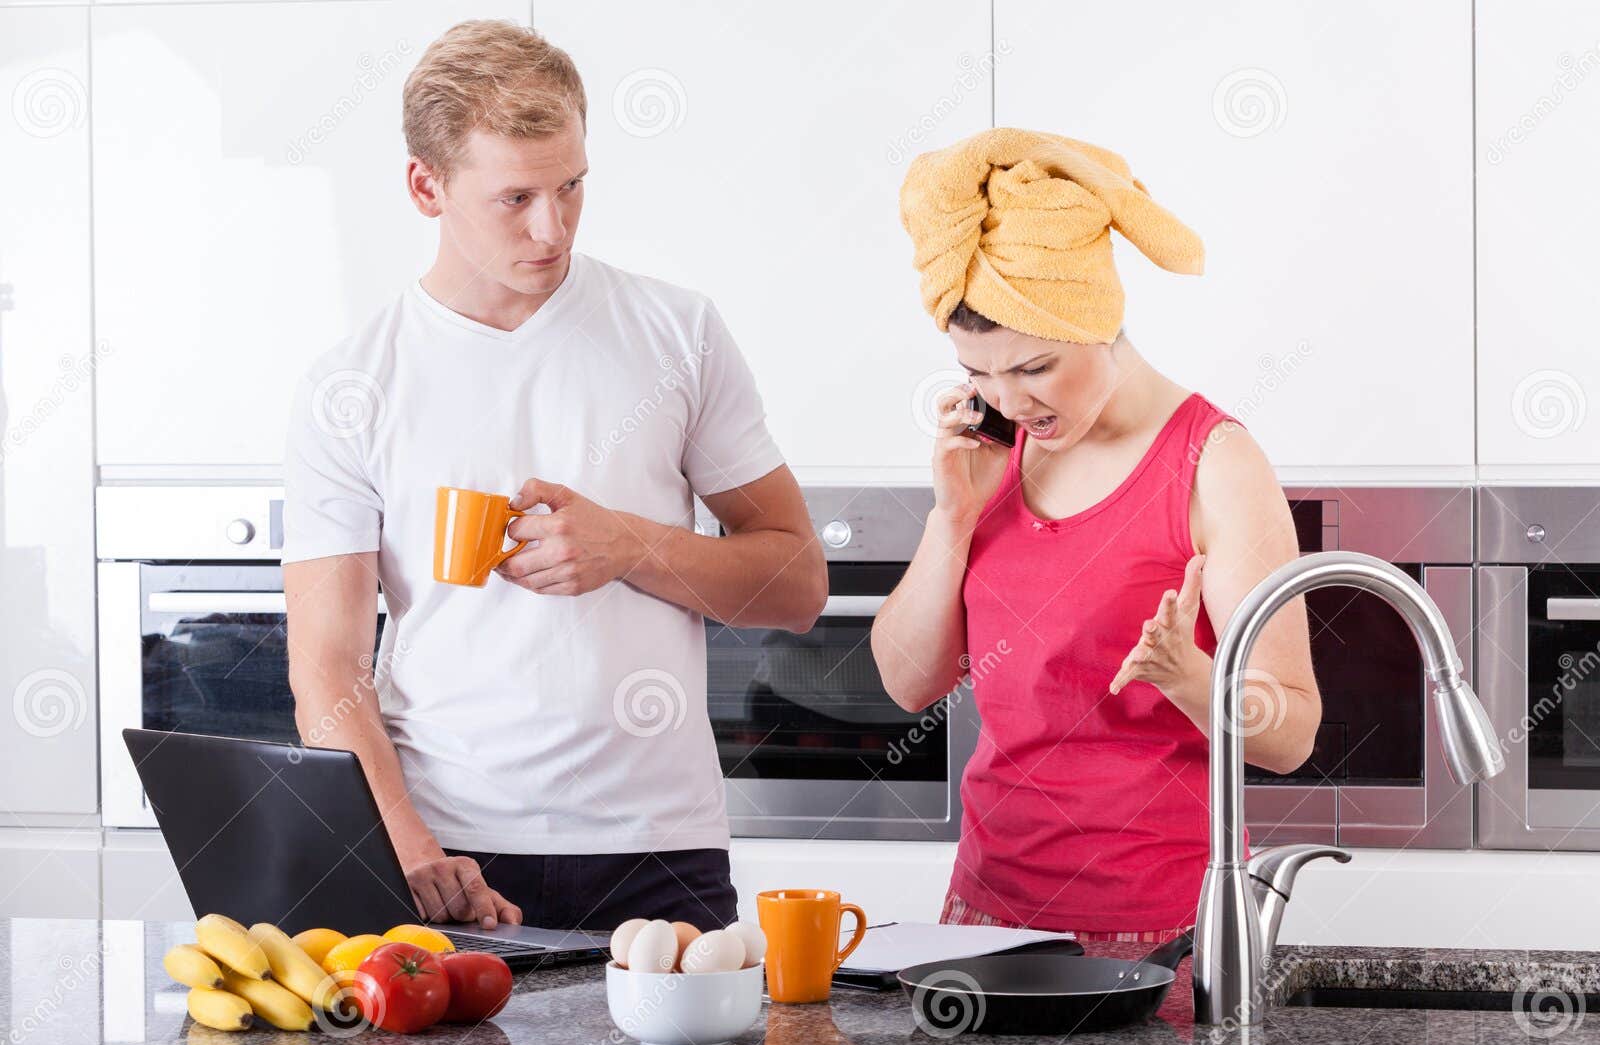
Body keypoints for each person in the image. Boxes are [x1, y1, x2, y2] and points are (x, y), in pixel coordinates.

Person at [281, 21, 826, 933]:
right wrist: (409, 846)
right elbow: (326, 667)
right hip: (443, 850)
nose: (553, 228)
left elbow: (798, 585)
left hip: (660, 849)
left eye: (572, 187)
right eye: (516, 198)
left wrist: (631, 546)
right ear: (427, 186)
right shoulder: (352, 385)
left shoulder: (676, 332)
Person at [873, 128, 1321, 942]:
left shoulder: (1213, 464)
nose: (1006, 401)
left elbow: (1291, 734)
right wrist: (952, 520)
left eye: (1034, 367)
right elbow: (908, 685)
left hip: (1165, 932)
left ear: (1098, 323)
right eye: (978, 372)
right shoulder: (991, 456)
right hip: (986, 923)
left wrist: (1193, 678)